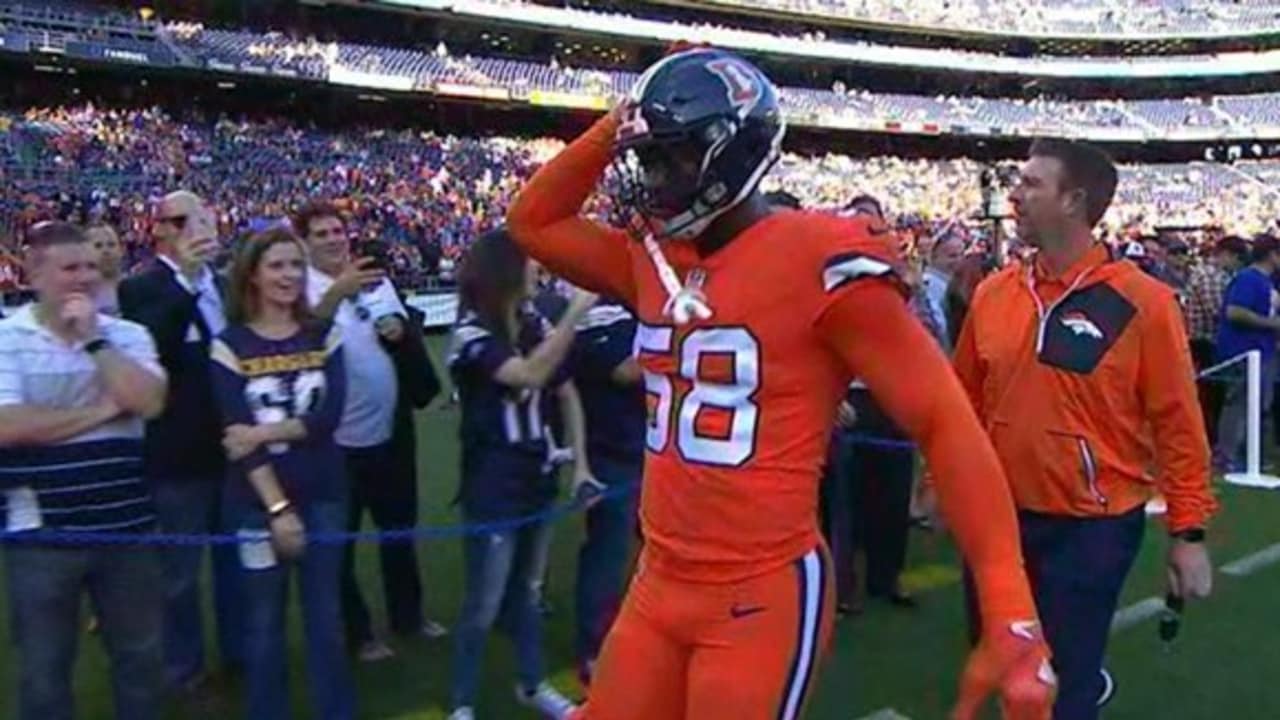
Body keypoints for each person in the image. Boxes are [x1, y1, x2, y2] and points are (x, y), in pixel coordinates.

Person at [508, 48, 1051, 720]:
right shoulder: (648, 258)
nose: (649, 181)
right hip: (659, 582)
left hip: (759, 594)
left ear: (730, 154)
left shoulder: (818, 260)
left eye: (665, 159)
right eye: (643, 160)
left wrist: (1008, 603)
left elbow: (944, 421)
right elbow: (530, 220)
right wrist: (612, 127)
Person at [954, 138, 1217, 719]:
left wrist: (1188, 531)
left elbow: (1178, 422)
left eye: (1030, 184)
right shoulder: (995, 293)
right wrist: (944, 478)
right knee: (1003, 665)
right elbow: (963, 401)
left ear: (1073, 201)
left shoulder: (1143, 303)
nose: (1015, 195)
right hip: (998, 519)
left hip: (1092, 528)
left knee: (1062, 685)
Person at [0, 221, 168, 720]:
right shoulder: (7, 339)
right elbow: (8, 427)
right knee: (46, 669)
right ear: (34, 273)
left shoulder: (127, 336)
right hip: (42, 535)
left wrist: (95, 341)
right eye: (70, 267)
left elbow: (149, 402)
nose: (85, 277)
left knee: (139, 659)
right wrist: (100, 412)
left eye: (92, 266)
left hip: (127, 527)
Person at [445, 228, 597, 720]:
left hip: (537, 476)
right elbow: (528, 375)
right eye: (529, 263)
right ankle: (462, 703)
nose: (538, 270)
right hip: (493, 483)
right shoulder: (470, 334)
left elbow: (566, 388)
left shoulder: (531, 321)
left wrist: (581, 466)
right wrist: (576, 312)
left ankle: (531, 685)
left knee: (528, 592)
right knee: (484, 603)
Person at [209, 228, 356, 720]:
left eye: (295, 264)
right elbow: (237, 440)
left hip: (326, 495)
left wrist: (263, 432)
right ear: (252, 273)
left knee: (326, 620)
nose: (289, 275)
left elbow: (328, 418)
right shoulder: (228, 345)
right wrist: (278, 510)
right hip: (255, 505)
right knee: (262, 626)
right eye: (276, 265)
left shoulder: (324, 334)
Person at [295, 201, 445, 662]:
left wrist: (401, 335)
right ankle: (359, 634)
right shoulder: (300, 289)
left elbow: (404, 338)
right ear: (303, 242)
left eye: (337, 230)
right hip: (335, 440)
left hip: (391, 429)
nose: (333, 238)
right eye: (320, 233)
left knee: (399, 529)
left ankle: (409, 615)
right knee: (338, 543)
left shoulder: (376, 281)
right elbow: (301, 343)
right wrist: (337, 293)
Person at [118, 190, 243, 692]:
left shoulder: (228, 285)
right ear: (162, 230)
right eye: (186, 220)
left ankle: (241, 654)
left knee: (237, 565)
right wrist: (188, 285)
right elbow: (155, 347)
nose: (199, 228)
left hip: (233, 450)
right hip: (177, 459)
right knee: (179, 577)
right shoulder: (142, 288)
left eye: (206, 217)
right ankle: (182, 669)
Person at [566, 294, 645, 683]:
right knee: (606, 555)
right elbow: (627, 371)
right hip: (611, 454)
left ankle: (645, 630)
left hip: (649, 448)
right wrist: (683, 340)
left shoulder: (631, 307)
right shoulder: (587, 319)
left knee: (658, 549)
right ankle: (593, 646)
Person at [1214, 234, 1280, 470]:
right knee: (1239, 403)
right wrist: (1271, 323)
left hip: (1264, 351)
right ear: (1272, 255)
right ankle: (1227, 456)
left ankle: (1250, 455)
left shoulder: (1266, 281)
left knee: (1259, 404)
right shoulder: (1248, 279)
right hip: (1244, 350)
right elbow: (1234, 312)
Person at [86, 223, 124, 316]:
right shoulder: (79, 291)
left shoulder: (135, 288)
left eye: (111, 245)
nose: (106, 251)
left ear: (121, 250)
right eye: (98, 246)